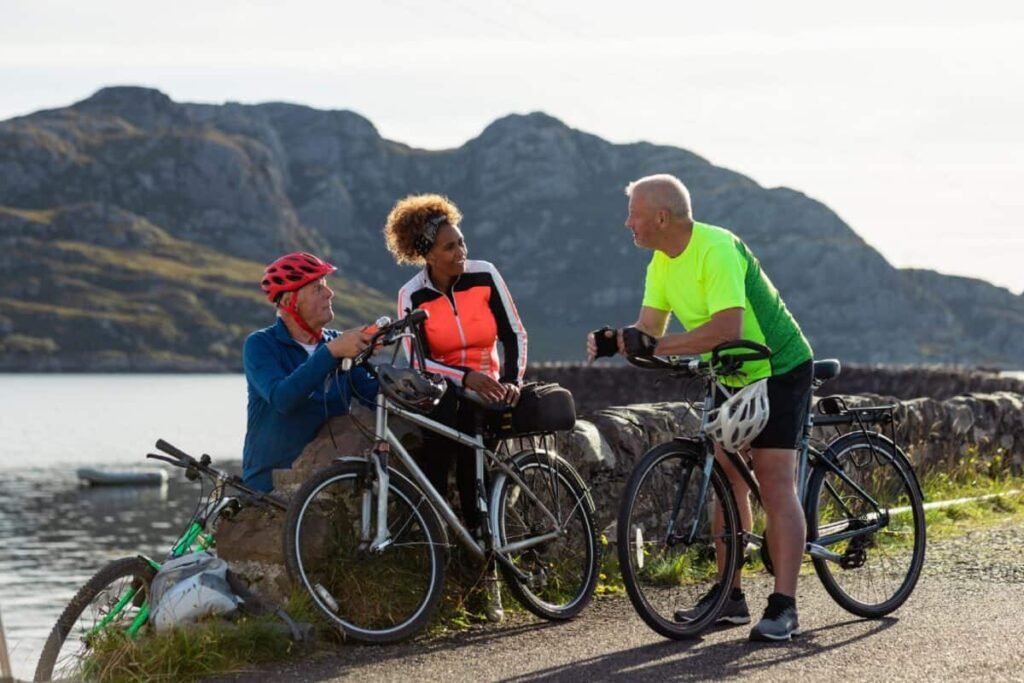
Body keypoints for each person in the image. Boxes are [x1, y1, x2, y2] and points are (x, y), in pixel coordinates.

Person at [587, 174, 814, 642]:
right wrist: (618, 341)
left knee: (774, 482)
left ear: (661, 217)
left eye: (633, 214)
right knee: (727, 480)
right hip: (731, 371)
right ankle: (730, 596)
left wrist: (655, 344)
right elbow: (650, 332)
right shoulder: (660, 263)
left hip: (778, 365)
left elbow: (728, 329)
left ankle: (785, 606)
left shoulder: (717, 249)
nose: (627, 223)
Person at [384, 194, 528, 530]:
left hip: (490, 388)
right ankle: (437, 536)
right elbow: (419, 361)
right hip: (443, 392)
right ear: (428, 254)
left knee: (471, 466)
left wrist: (512, 381)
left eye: (461, 242)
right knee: (439, 453)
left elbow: (514, 334)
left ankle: (481, 539)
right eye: (449, 247)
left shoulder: (485, 275)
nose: (461, 252)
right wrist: (463, 377)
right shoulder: (411, 295)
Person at [242, 252, 378, 492]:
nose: (329, 293)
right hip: (269, 485)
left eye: (326, 285)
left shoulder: (339, 343)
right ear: (289, 302)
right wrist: (331, 353)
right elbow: (282, 398)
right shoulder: (261, 345)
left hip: (327, 480)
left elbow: (374, 395)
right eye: (317, 288)